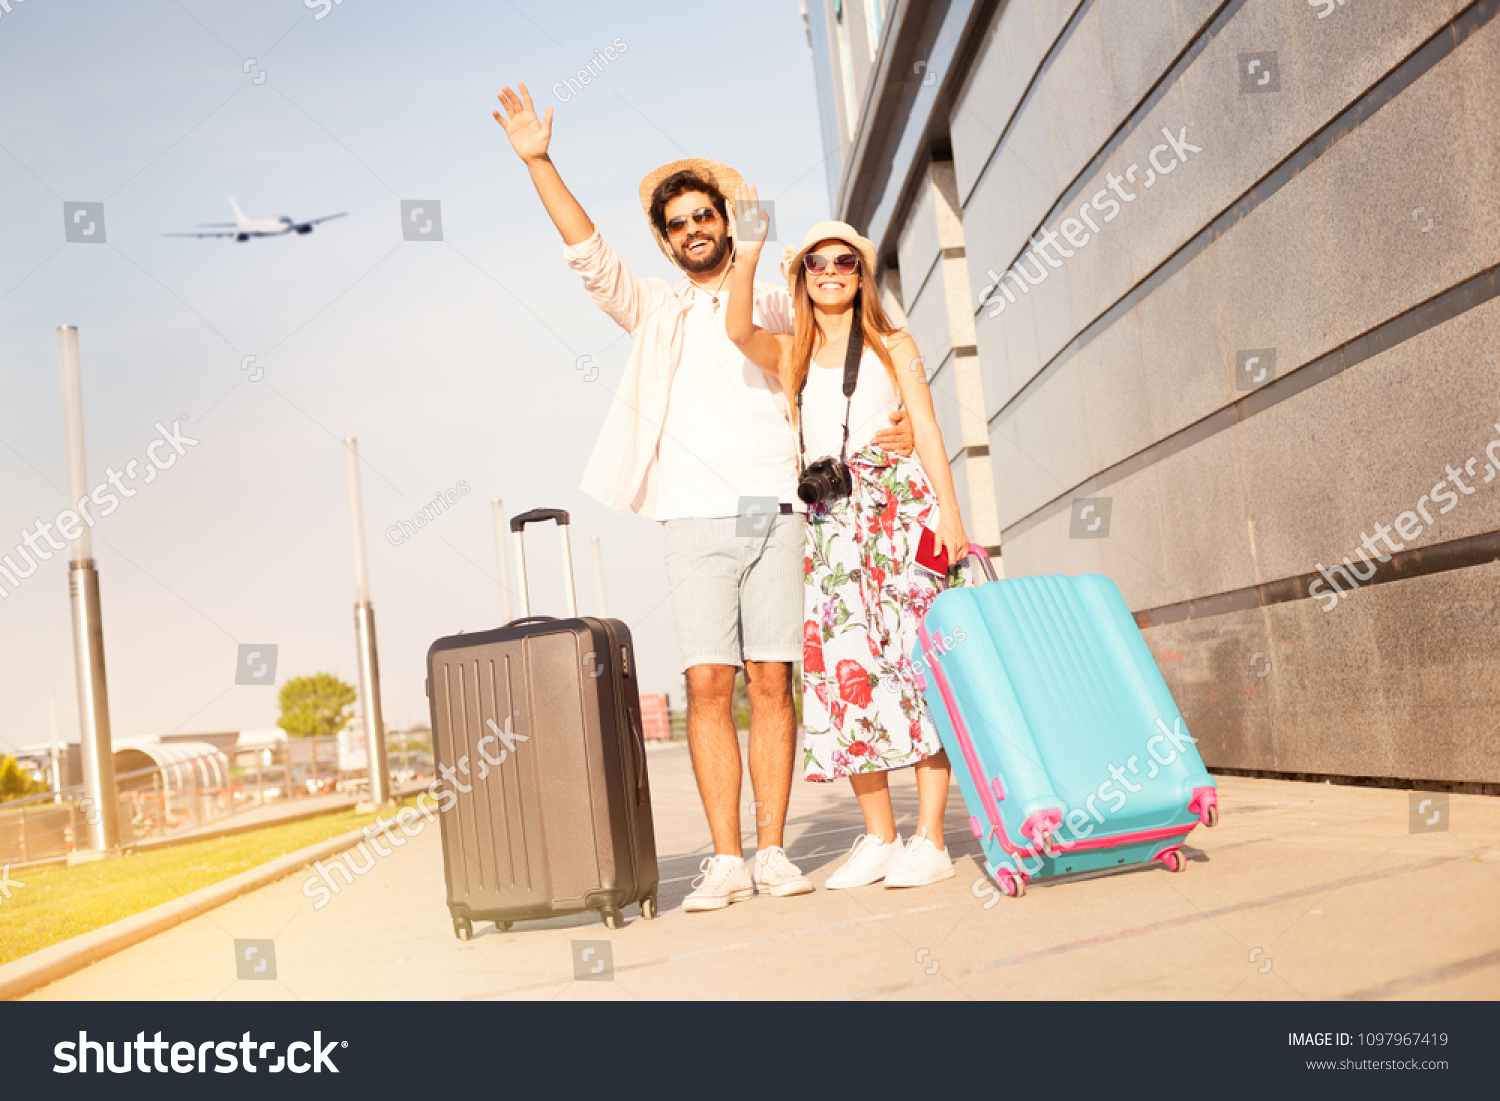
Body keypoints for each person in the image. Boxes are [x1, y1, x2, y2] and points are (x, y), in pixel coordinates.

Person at [491, 84, 915, 911]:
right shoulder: (652, 308)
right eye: (678, 222)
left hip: (781, 507)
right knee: (708, 686)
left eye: (704, 216)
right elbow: (589, 255)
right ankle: (724, 858)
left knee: (773, 681)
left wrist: (899, 415)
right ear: (667, 238)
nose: (693, 230)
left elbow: (844, 336)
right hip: (692, 512)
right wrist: (540, 161)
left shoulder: (768, 291)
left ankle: (771, 851)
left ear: (727, 222)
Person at [726, 189, 969, 890]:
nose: (831, 272)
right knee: (844, 671)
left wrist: (950, 518)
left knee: (917, 667)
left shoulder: (895, 343)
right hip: (833, 527)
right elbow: (738, 328)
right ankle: (879, 835)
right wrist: (749, 246)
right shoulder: (794, 351)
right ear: (801, 276)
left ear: (862, 274)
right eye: (816, 264)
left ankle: (930, 837)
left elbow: (925, 428)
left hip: (898, 511)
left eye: (845, 262)